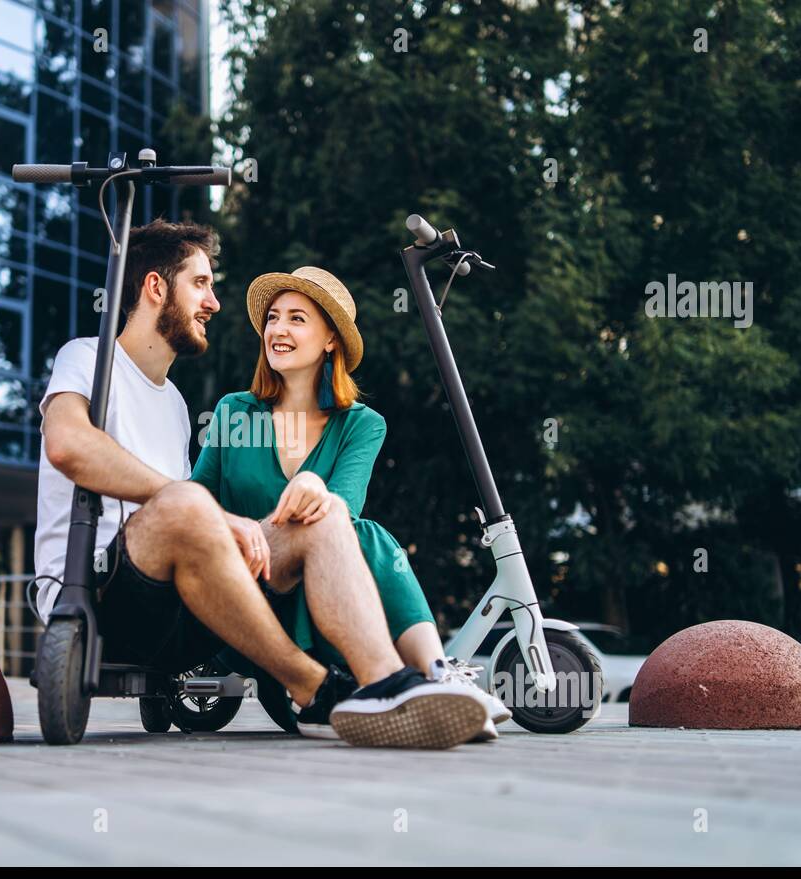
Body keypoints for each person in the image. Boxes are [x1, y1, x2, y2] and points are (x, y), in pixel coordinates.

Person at [34, 219, 490, 748]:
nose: (215, 303)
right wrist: (212, 515)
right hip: (105, 594)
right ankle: (314, 687)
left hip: (184, 609)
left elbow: (198, 523)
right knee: (186, 502)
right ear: (157, 288)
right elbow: (68, 445)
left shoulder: (175, 403)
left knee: (327, 518)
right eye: (201, 284)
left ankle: (387, 683)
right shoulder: (88, 359)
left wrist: (239, 522)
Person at [190, 267, 510, 742]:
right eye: (274, 318)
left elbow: (344, 507)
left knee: (358, 529)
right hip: (248, 586)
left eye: (297, 319)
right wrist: (249, 527)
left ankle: (422, 682)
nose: (278, 329)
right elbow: (196, 503)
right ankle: (431, 672)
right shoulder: (236, 412)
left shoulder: (362, 424)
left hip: (326, 610)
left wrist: (319, 491)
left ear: (330, 341)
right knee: (358, 530)